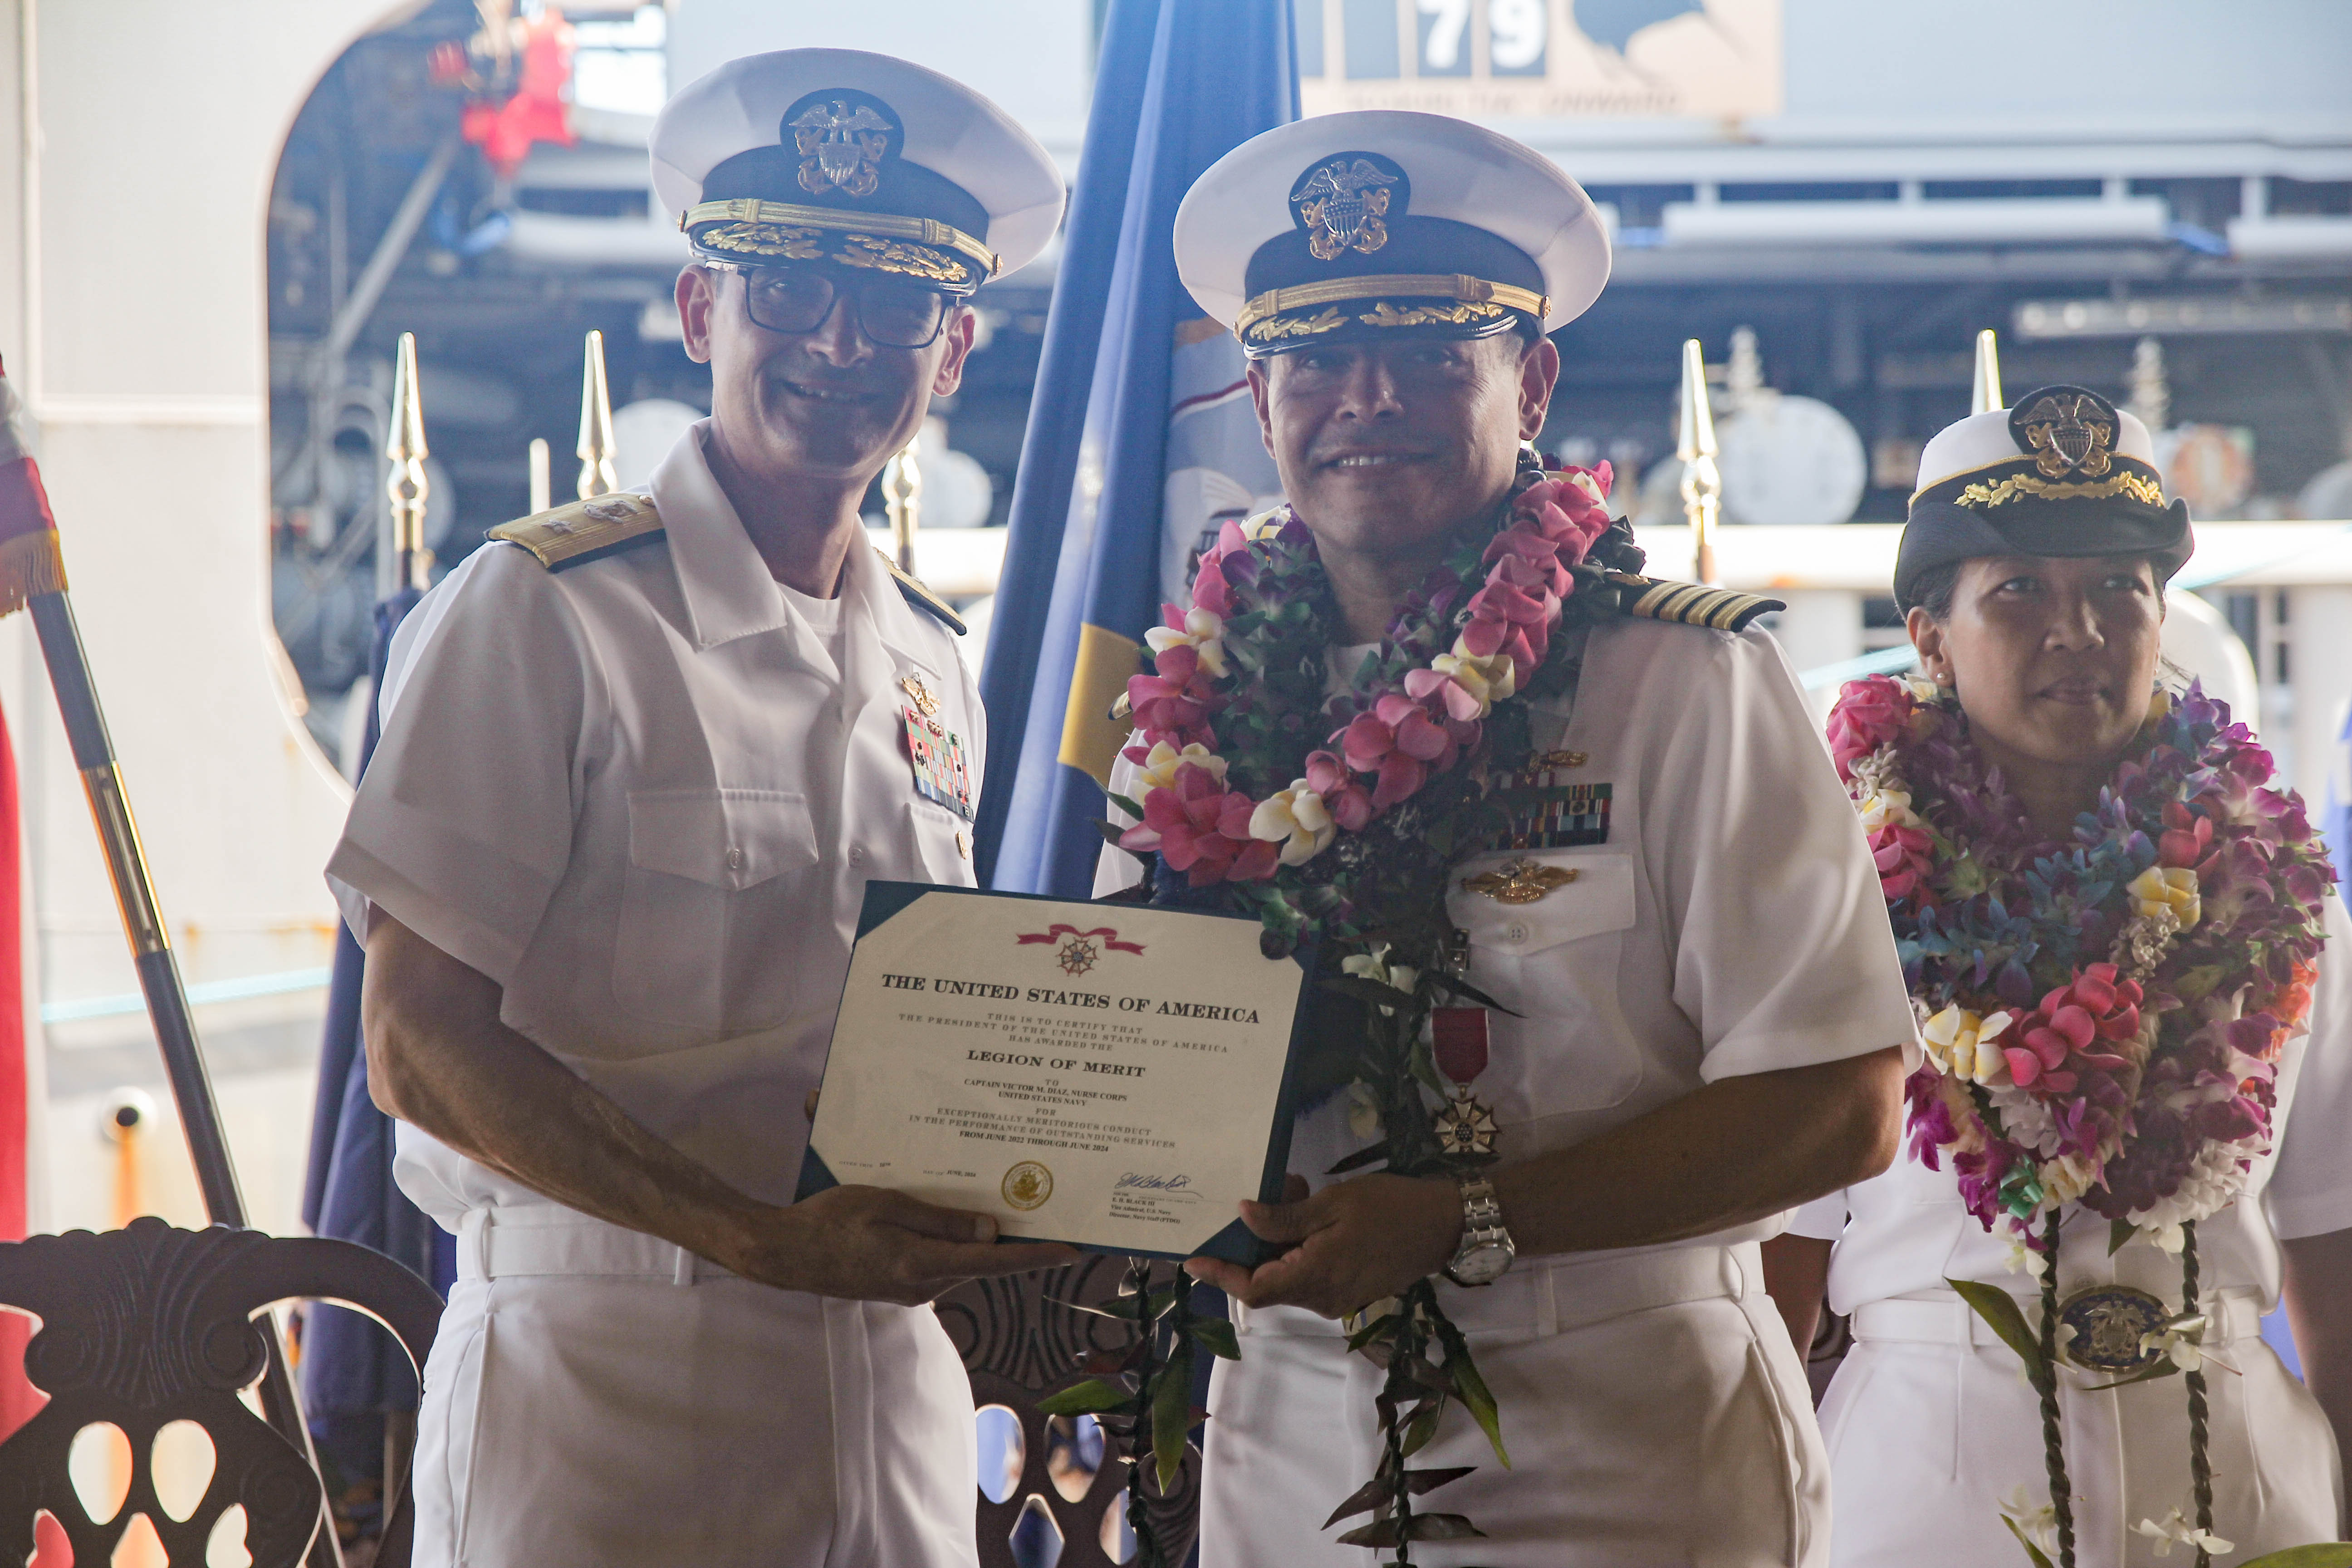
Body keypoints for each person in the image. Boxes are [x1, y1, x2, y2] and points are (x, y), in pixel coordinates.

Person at [1094, 111, 1918, 1566]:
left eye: (1429, 352)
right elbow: (1116, 1058)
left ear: (1529, 383)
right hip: (1288, 1425)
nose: (1367, 398)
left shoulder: (1683, 682)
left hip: (1622, 1425)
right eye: (1317, 357)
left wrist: (1466, 1217)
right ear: (1260, 396)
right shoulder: (1186, 717)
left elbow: (1841, 1103)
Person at [326, 50, 1072, 1568]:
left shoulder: (933, 661)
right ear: (699, 311)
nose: (839, 339)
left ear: (954, 351)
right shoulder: (542, 612)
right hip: (611, 1390)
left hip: (891, 1395)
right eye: (787, 287)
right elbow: (414, 1042)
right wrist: (755, 1238)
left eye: (896, 302)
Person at [1764, 387, 2352, 1565]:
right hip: (1928, 1497)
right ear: (1930, 637)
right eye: (2021, 589)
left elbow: (2334, 1230)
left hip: (2241, 1484)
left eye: (2118, 588)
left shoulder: (2280, 889)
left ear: (2162, 616)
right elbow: (1783, 1269)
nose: (2078, 631)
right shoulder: (1831, 892)